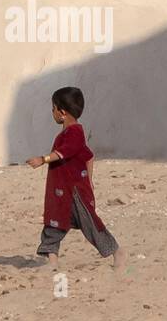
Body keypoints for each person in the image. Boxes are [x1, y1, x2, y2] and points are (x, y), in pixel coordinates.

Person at [28, 86, 127, 270]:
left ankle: (117, 251)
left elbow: (65, 152)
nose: (53, 113)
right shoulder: (66, 134)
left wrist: (43, 159)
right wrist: (90, 179)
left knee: (89, 224)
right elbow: (89, 156)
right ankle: (52, 261)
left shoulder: (74, 133)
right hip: (61, 191)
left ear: (62, 112)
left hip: (74, 191)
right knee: (54, 224)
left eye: (54, 108)